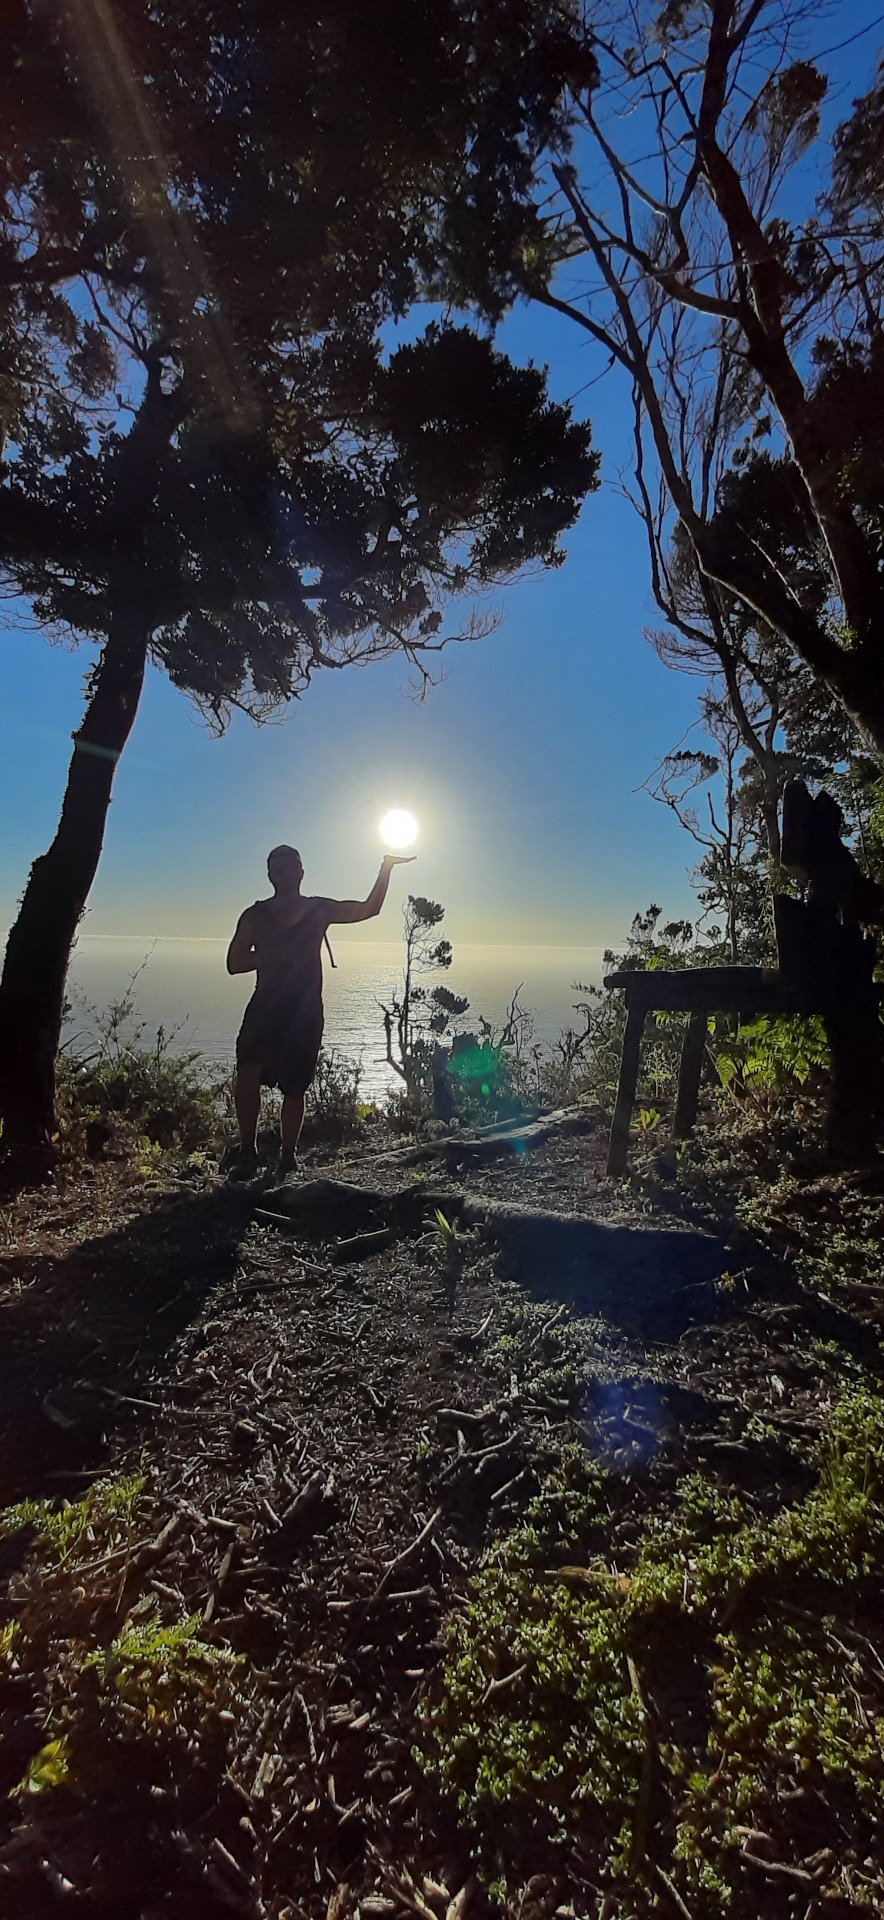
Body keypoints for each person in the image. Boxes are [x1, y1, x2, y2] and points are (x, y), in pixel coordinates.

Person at [225, 845, 414, 1179]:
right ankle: (248, 1151)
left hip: (304, 1011)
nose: (285, 873)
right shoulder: (255, 915)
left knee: (295, 1087)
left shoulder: (318, 909)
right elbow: (234, 963)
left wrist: (386, 869)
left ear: (301, 872)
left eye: (290, 867)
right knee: (248, 1073)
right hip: (265, 1007)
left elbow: (368, 909)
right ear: (270, 875)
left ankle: (287, 1157)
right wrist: (274, 955)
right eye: (278, 868)